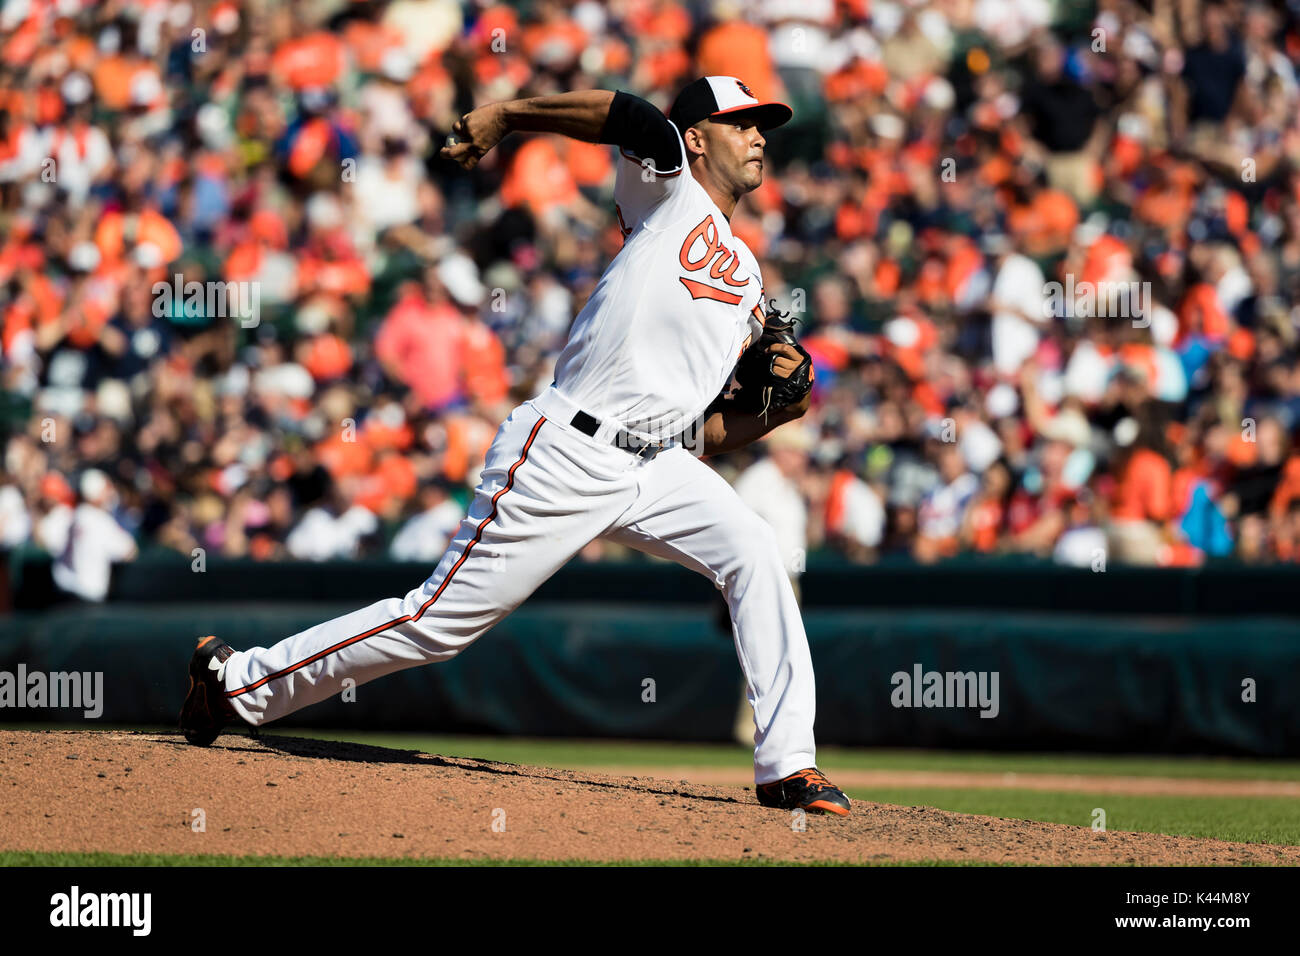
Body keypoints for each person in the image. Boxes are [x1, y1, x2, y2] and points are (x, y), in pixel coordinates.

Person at [180, 77, 851, 816]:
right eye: (742, 123)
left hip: (658, 462)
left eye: (765, 126)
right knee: (437, 621)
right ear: (697, 138)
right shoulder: (669, 192)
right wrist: (506, 117)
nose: (760, 136)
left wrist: (781, 412)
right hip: (569, 447)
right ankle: (236, 680)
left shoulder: (752, 280)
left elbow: (709, 433)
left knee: (755, 548)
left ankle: (788, 765)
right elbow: (620, 113)